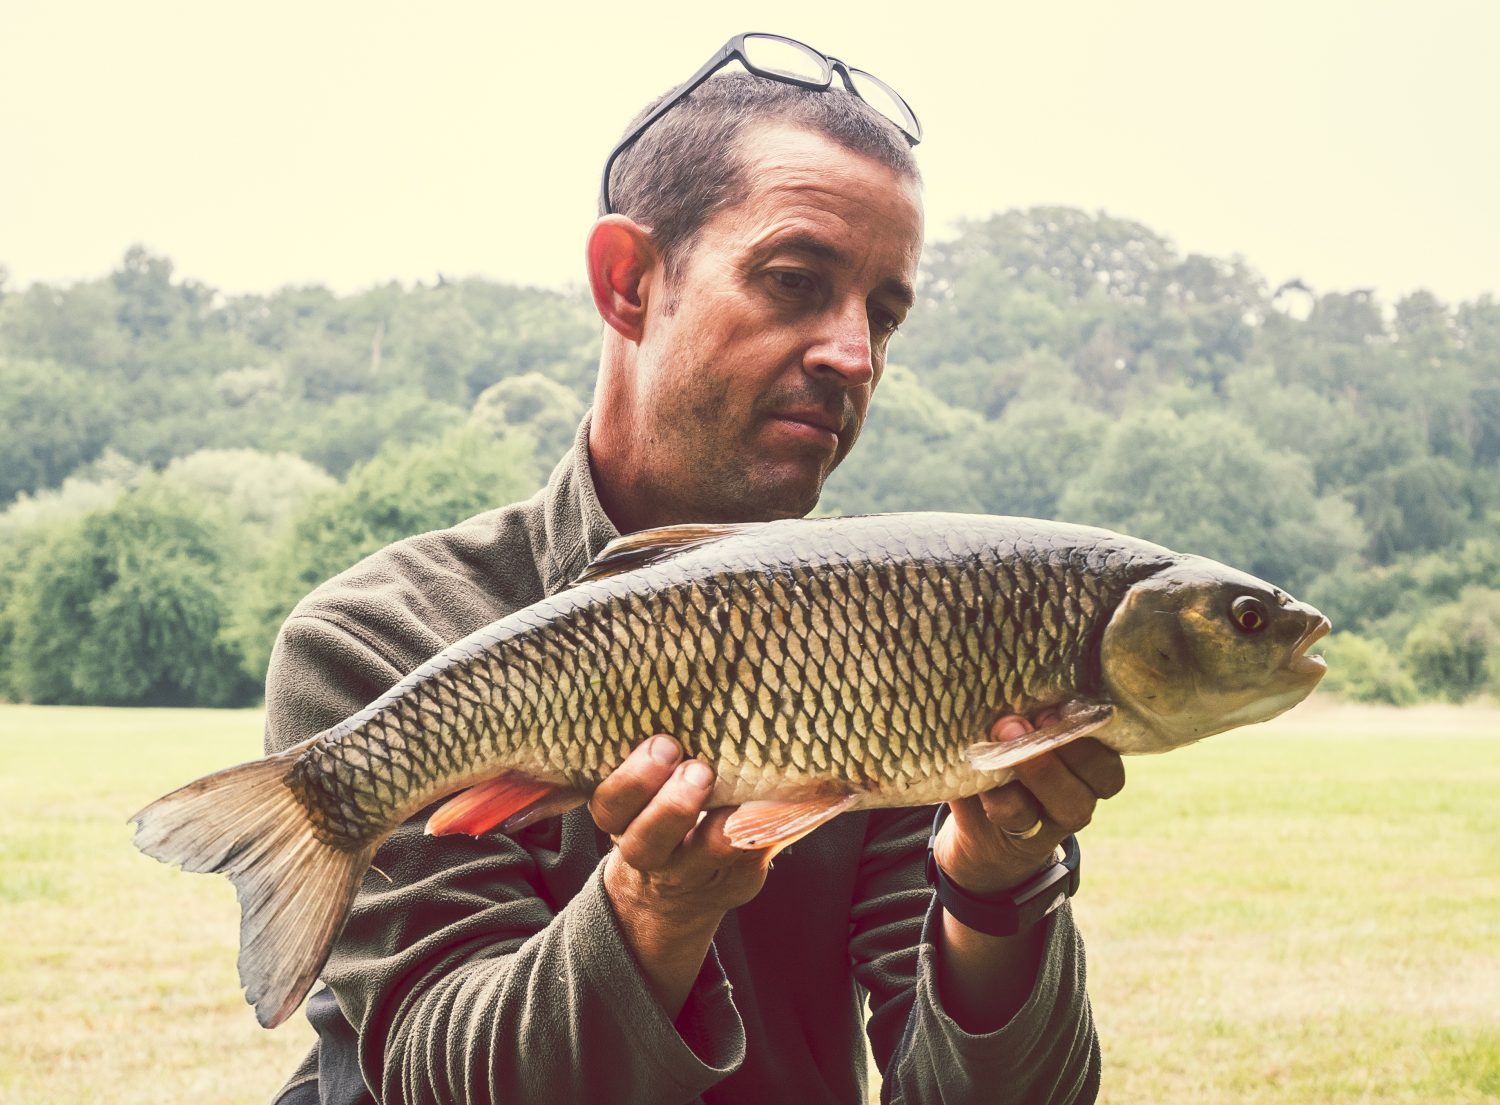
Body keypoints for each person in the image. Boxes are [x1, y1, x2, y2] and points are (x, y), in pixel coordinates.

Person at [265, 33, 1122, 1105]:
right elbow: (439, 1078)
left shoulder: (912, 622)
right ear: (628, 281)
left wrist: (998, 887)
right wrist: (655, 914)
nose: (853, 355)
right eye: (795, 281)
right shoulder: (385, 638)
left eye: (884, 315)